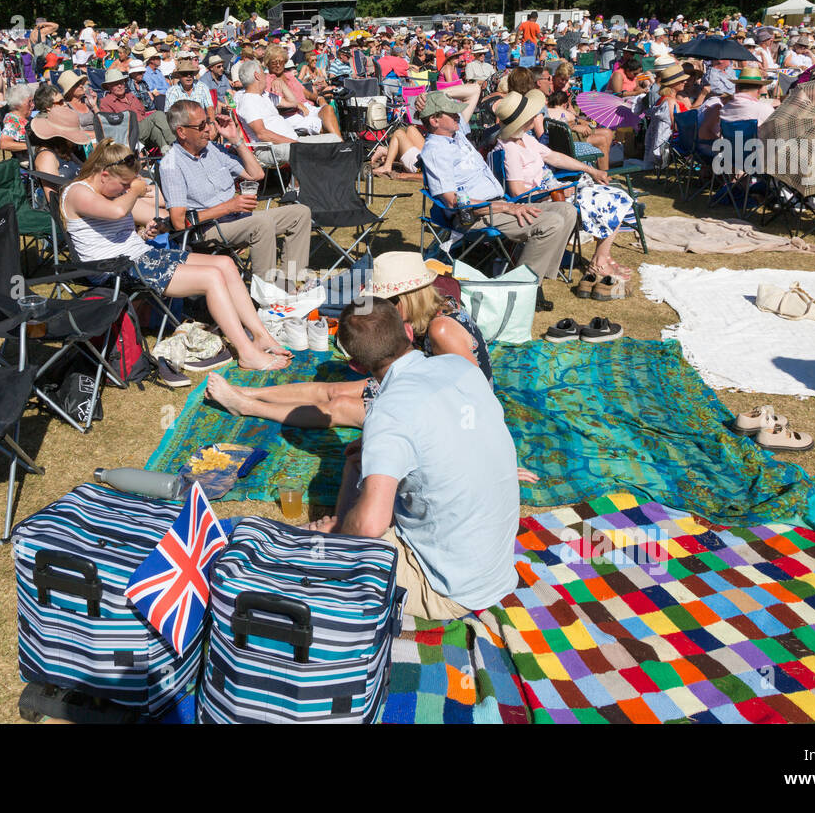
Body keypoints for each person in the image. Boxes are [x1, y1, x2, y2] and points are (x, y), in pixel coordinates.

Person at [301, 297, 520, 619]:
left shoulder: (388, 413)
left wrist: (336, 533)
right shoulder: (460, 366)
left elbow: (371, 525)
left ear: (357, 367)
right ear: (407, 330)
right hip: (495, 564)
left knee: (308, 546)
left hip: (446, 588)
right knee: (357, 461)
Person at [60, 139, 291, 371]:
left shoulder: (112, 193)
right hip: (113, 269)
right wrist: (137, 190)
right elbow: (118, 211)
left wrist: (151, 227)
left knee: (225, 264)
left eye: (129, 185)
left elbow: (152, 208)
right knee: (211, 278)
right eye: (123, 184)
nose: (126, 190)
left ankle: (260, 335)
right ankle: (246, 352)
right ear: (104, 174)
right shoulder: (77, 192)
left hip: (140, 256)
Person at [205, 251, 500, 429]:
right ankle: (247, 394)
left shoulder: (442, 330)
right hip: (424, 387)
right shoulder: (437, 308)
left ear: (406, 298)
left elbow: (476, 395)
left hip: (443, 412)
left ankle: (247, 406)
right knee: (334, 390)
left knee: (341, 406)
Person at [420, 90, 576, 287]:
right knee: (551, 222)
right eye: (451, 114)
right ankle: (520, 287)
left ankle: (537, 276)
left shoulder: (455, 132)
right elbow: (453, 201)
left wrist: (430, 96)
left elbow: (472, 91)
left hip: (498, 203)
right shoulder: (435, 151)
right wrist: (506, 207)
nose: (456, 115)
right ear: (435, 121)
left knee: (568, 211)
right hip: (476, 215)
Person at [161, 99, 311, 286]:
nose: (208, 129)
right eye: (201, 125)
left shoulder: (212, 149)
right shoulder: (172, 165)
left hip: (237, 219)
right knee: (261, 223)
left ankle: (287, 286)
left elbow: (256, 174)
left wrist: (237, 140)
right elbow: (177, 221)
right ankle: (265, 297)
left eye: (208, 121)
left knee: (300, 213)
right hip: (208, 229)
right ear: (181, 132)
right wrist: (228, 207)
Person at [496, 88, 635, 282]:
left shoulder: (524, 139)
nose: (535, 117)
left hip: (551, 190)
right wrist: (553, 191)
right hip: (541, 198)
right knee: (613, 198)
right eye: (531, 115)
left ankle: (602, 257)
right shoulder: (510, 149)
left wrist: (592, 171)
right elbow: (517, 191)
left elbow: (555, 157)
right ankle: (600, 261)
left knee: (615, 195)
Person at [235, 59, 341, 164]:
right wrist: (295, 143)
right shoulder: (248, 101)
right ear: (257, 76)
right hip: (270, 148)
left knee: (335, 140)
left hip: (290, 142)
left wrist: (282, 84)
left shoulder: (264, 95)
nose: (266, 77)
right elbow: (262, 134)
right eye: (263, 73)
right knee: (317, 150)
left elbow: (293, 102)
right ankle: (314, 179)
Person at [96, 67, 176, 150]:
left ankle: (168, 155)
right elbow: (112, 126)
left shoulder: (131, 96)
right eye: (115, 84)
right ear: (109, 87)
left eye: (121, 82)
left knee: (157, 131)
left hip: (143, 131)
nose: (119, 86)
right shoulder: (106, 102)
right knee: (158, 114)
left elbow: (142, 112)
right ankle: (175, 143)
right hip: (128, 134)